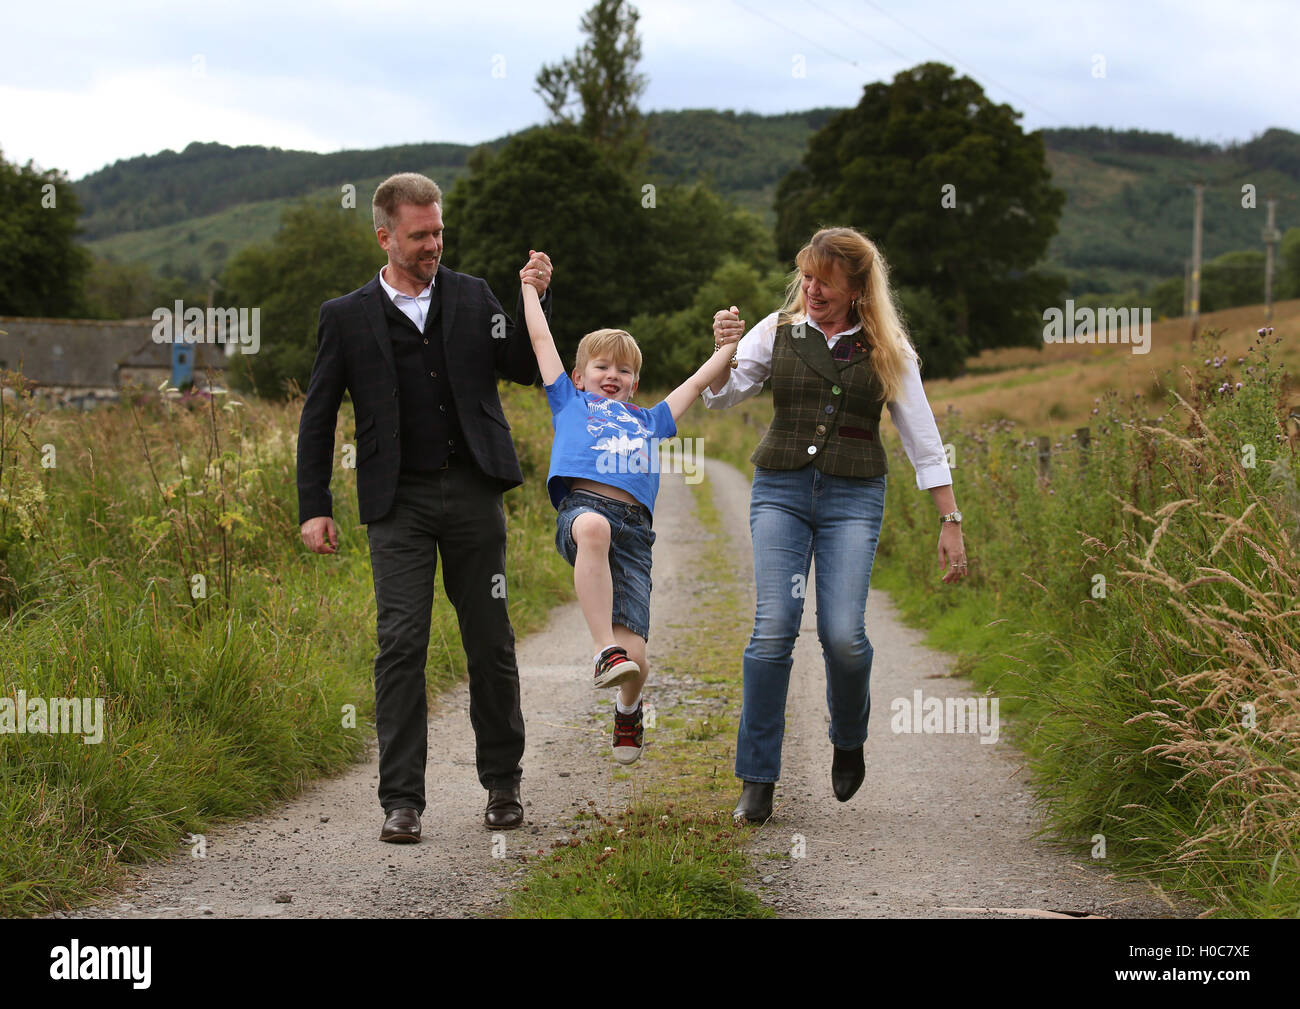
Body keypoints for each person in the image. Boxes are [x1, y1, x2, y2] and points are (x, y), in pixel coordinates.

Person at [297, 173, 553, 840]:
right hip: (397, 502)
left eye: (438, 231)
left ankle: (503, 786)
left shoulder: (473, 295)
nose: (434, 244)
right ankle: (402, 800)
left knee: (490, 640)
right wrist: (314, 506)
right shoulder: (345, 315)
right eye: (419, 235)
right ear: (385, 237)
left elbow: (525, 366)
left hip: (473, 489)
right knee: (401, 644)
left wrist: (534, 295)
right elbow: (318, 417)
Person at [703, 226, 967, 823]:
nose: (812, 289)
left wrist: (949, 519)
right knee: (773, 629)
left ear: (857, 287)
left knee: (843, 635)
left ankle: (848, 737)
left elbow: (924, 441)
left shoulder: (888, 349)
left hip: (854, 495)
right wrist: (724, 352)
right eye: (807, 277)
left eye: (825, 280)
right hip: (780, 490)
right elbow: (724, 395)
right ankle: (757, 777)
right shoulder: (778, 330)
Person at [519, 256, 741, 764]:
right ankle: (604, 649)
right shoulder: (569, 402)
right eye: (601, 367)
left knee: (636, 659)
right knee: (593, 528)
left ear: (635, 384)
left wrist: (727, 348)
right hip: (583, 511)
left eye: (624, 370)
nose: (612, 375)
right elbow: (540, 340)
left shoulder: (650, 420)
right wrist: (531, 290)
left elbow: (695, 383)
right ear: (578, 376)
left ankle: (628, 707)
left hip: (636, 533)